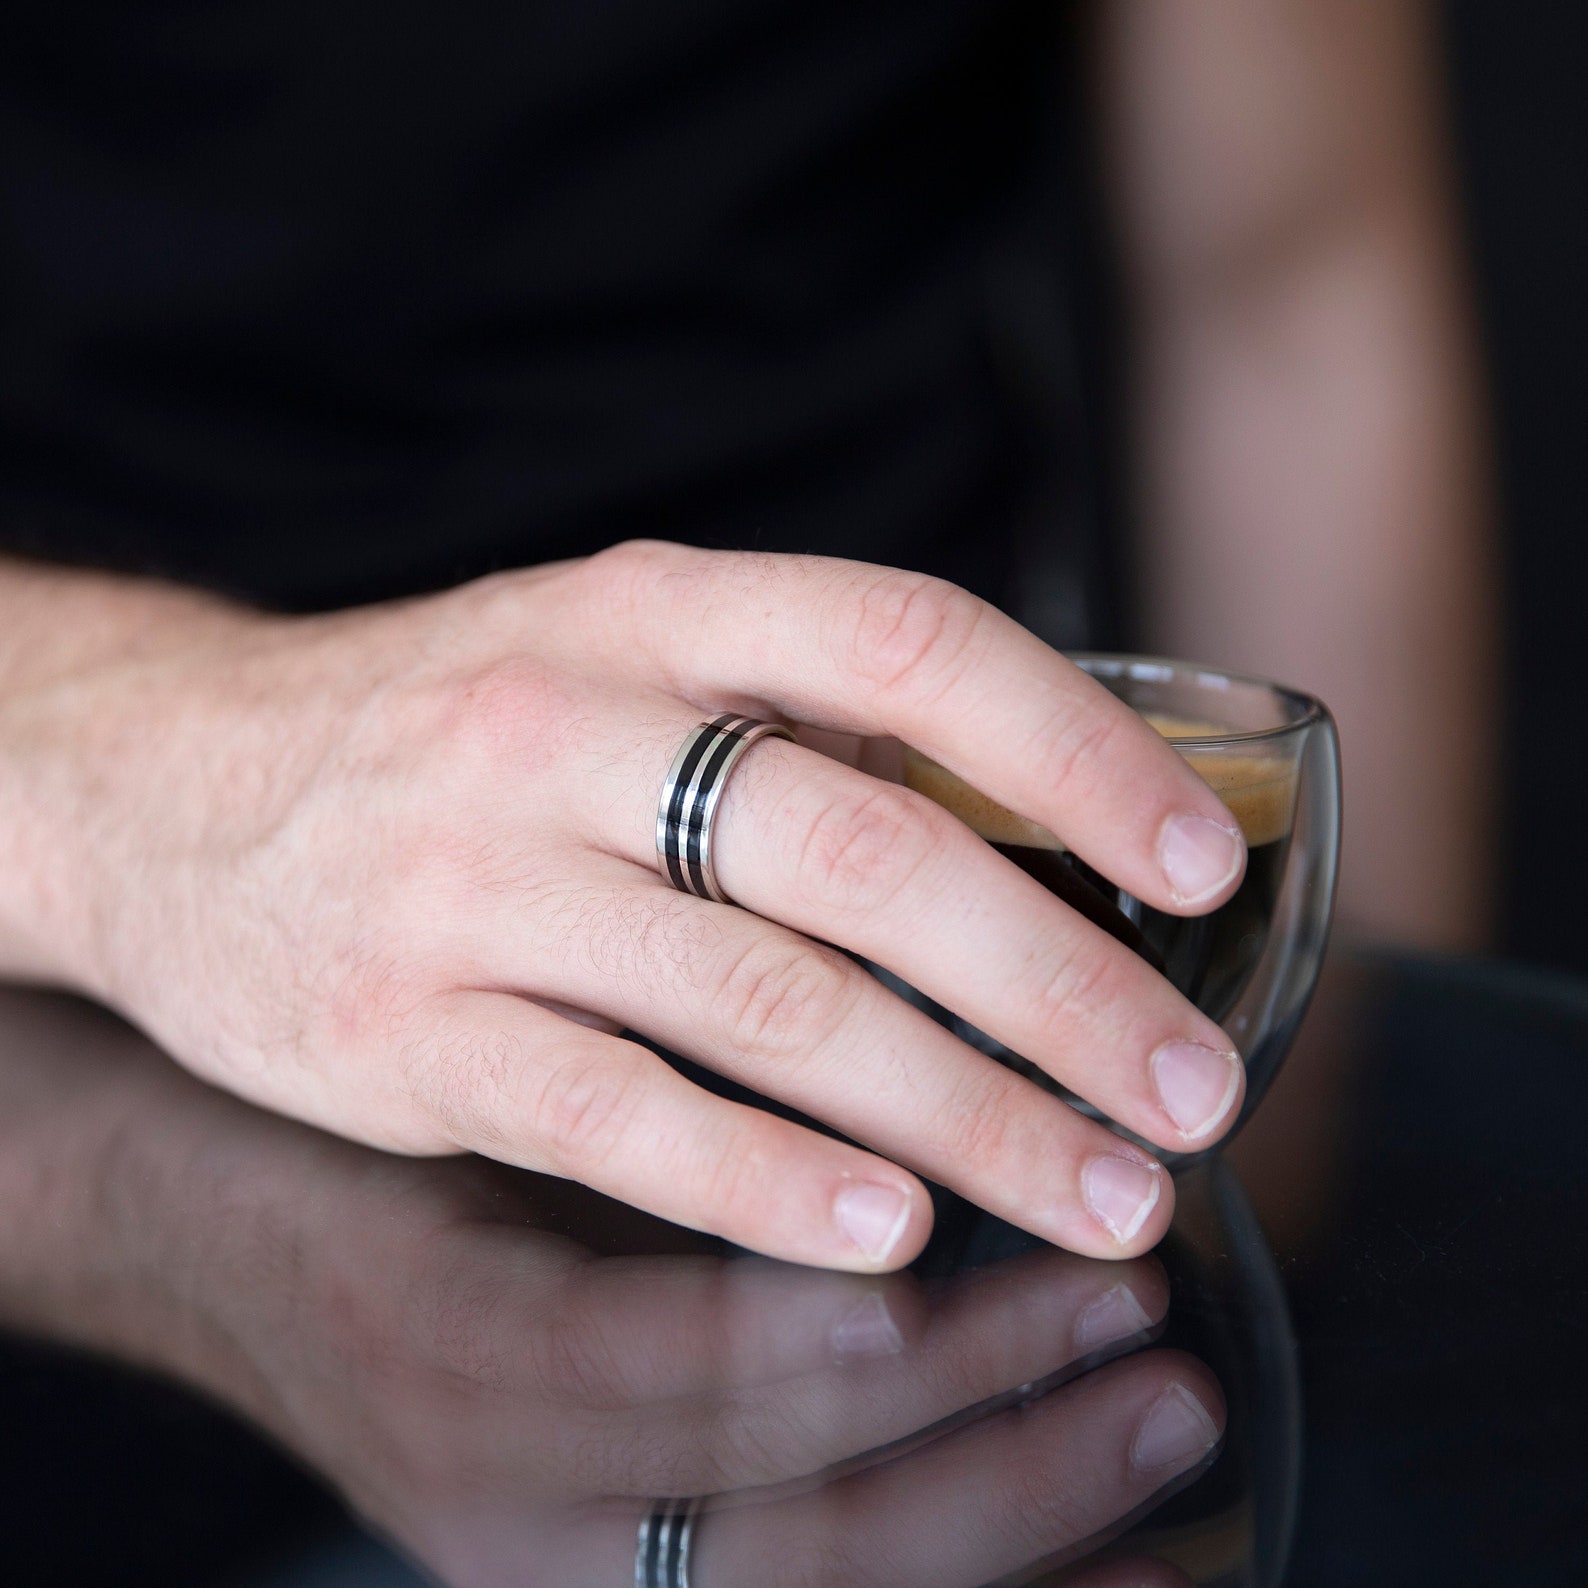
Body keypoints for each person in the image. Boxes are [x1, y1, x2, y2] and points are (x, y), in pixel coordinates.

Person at [0, 1, 1494, 1271]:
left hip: (929, 1058)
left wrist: (1287, 1211)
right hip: (88, 1049)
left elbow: (1291, 290)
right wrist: (189, 765)